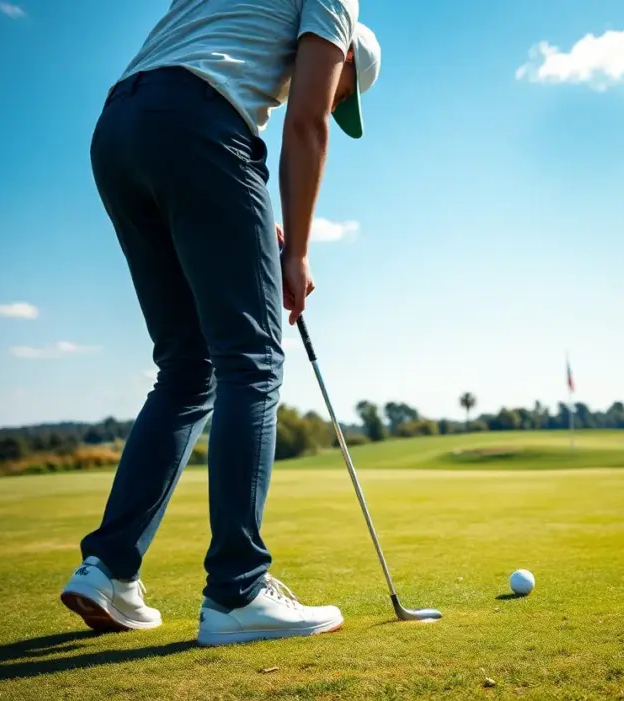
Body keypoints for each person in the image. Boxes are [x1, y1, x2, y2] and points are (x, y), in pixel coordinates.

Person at [58, 0, 381, 647]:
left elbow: (195, 98)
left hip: (121, 127)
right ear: (343, 57)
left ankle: (109, 569)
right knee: (252, 360)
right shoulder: (334, 15)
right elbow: (308, 124)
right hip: (200, 124)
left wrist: (255, 215)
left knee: (188, 366)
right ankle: (238, 590)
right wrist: (297, 252)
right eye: (345, 86)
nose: (322, 89)